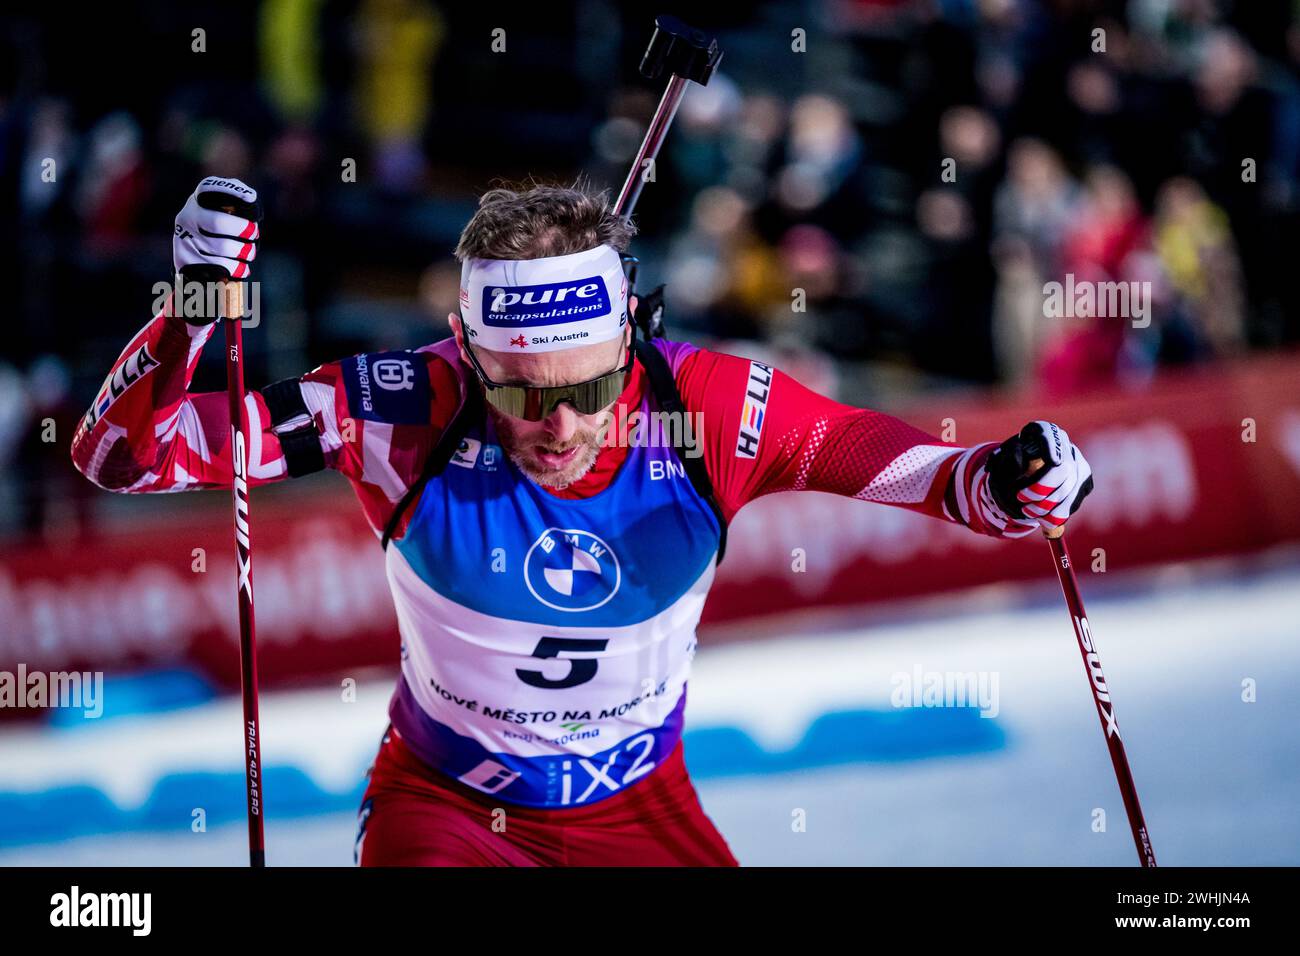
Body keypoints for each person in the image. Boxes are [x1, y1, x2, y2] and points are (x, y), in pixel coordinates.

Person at [71, 177, 1094, 866]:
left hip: (640, 810)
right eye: (517, 394)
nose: (558, 426)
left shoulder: (716, 414)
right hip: (449, 810)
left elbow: (930, 473)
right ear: (465, 355)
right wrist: (195, 310)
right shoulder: (396, 407)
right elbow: (124, 455)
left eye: (590, 385)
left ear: (630, 330)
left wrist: (1019, 477)